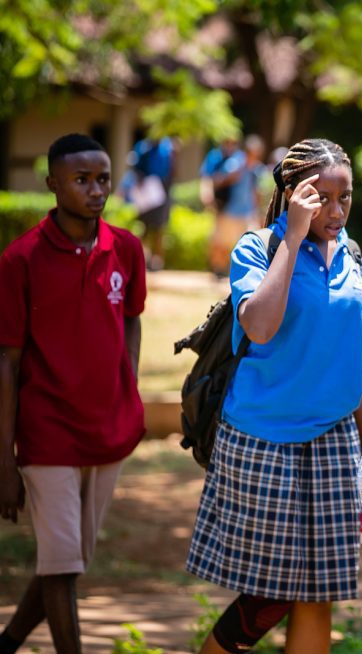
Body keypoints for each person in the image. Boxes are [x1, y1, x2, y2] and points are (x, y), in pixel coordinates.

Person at [186, 138, 362, 654]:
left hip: (334, 444)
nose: (335, 211)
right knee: (269, 595)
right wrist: (292, 236)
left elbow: (355, 358)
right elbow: (260, 326)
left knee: (319, 594)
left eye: (345, 197)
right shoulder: (258, 248)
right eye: (321, 198)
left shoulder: (353, 255)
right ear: (293, 194)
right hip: (264, 440)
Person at [0, 133, 147, 654]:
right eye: (81, 180)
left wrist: (128, 383)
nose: (96, 190)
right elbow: (7, 361)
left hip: (107, 429)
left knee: (65, 561)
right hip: (47, 431)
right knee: (62, 566)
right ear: (52, 184)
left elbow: (131, 319)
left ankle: (8, 642)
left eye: (102, 178)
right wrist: (4, 460)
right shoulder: (20, 259)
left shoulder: (126, 248)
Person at [206, 135, 268, 277]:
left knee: (246, 243)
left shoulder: (257, 169)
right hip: (229, 210)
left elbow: (256, 192)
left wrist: (256, 211)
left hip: (247, 212)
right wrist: (232, 176)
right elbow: (217, 180)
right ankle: (219, 270)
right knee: (223, 242)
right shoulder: (235, 163)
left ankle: (234, 271)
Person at [127, 135, 176, 271]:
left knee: (159, 228)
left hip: (162, 191)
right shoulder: (143, 147)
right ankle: (143, 258)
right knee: (145, 228)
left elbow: (172, 170)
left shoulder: (168, 147)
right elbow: (134, 166)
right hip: (146, 193)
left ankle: (157, 261)